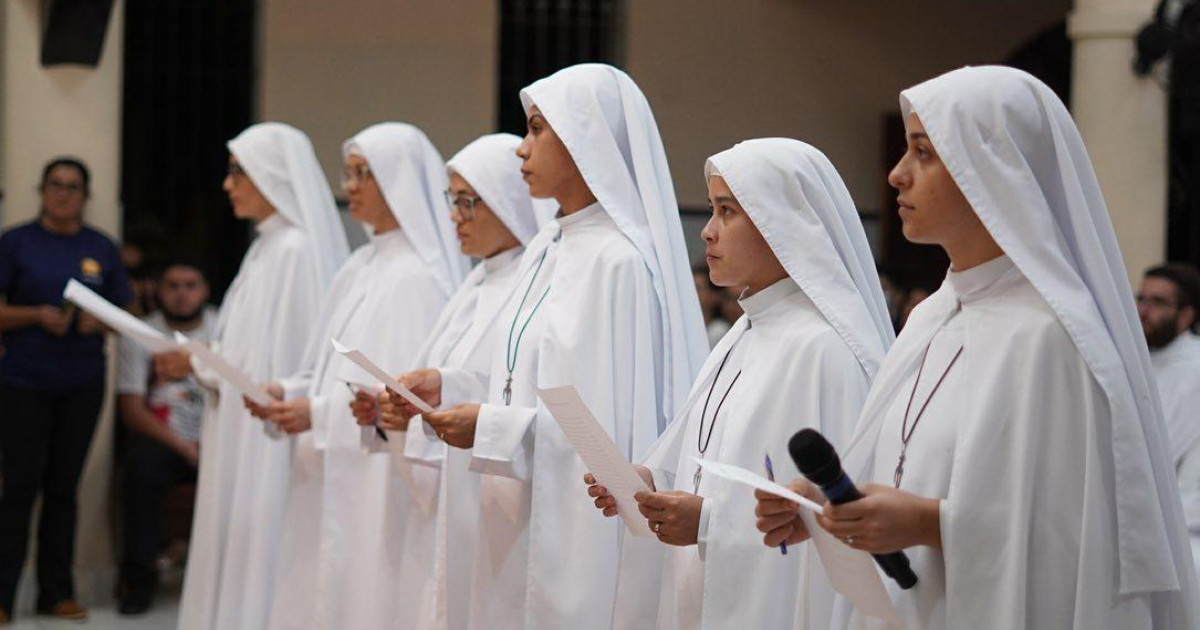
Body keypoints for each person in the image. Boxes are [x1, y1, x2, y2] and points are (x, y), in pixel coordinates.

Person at [755, 66, 1199, 629]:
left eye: (923, 153)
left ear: (993, 171)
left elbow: (1087, 550)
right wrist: (827, 506)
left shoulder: (1051, 336)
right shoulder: (932, 317)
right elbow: (908, 466)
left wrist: (931, 525)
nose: (896, 175)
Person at [391, 64, 708, 629]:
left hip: (577, 530)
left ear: (586, 136)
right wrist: (454, 389)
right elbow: (524, 377)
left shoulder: (619, 263)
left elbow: (608, 431)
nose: (521, 149)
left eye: (537, 129)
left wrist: (487, 427)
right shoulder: (546, 247)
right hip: (513, 509)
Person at [586, 138, 893, 628]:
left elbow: (836, 525)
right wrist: (650, 482)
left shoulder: (825, 351)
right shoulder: (744, 331)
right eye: (711, 210)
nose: (706, 232)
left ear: (784, 223)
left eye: (726, 211)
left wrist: (709, 523)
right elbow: (706, 451)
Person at [255, 122, 466, 630]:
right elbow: (325, 365)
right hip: (325, 464)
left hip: (376, 476)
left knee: (363, 589)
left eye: (362, 174)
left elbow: (396, 393)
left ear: (396, 179)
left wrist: (317, 412)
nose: (348, 186)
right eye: (347, 174)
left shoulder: (419, 277)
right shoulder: (359, 264)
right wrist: (292, 391)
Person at [354, 132, 546, 630]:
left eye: (467, 201)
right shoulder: (476, 281)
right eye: (451, 200)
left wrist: (443, 397)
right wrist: (392, 412)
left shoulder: (536, 284)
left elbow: (515, 394)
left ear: (509, 197)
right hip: (442, 499)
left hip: (488, 505)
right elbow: (452, 378)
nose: (455, 215)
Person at [178, 123, 349, 630]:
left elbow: (294, 362)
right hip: (235, 422)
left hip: (266, 434)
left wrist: (210, 366)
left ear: (270, 175)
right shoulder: (265, 247)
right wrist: (202, 364)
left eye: (238, 172)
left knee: (263, 552)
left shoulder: (295, 251)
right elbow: (245, 349)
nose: (228, 185)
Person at [0, 157, 133, 623]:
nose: (63, 194)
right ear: (42, 190)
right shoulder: (15, 242)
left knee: (64, 487)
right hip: (21, 382)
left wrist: (100, 321)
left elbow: (123, 312)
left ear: (85, 195)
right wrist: (36, 316)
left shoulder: (100, 247)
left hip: (80, 382)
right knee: (17, 488)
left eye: (73, 187)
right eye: (55, 185)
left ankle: (56, 594)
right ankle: (4, 595)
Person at [115, 261, 216, 615]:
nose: (182, 293)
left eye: (191, 285)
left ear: (205, 290)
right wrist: (184, 448)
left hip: (219, 440)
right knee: (141, 469)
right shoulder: (142, 332)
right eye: (172, 285)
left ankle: (224, 582)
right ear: (158, 290)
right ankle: (139, 583)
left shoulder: (225, 327)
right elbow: (131, 407)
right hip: (167, 441)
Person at [1137, 262, 1200, 580]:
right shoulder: (1133, 360)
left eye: (1158, 302)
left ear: (1186, 315)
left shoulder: (1195, 369)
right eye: (1141, 299)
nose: (1144, 311)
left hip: (1184, 524)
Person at [692, 264, 730, 347]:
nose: (691, 293)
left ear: (714, 296)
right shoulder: (692, 330)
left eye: (697, 288)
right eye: (690, 288)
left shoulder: (718, 331)